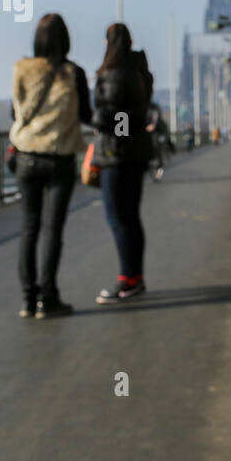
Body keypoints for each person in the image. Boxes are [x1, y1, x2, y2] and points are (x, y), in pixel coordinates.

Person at [9, 13, 91, 319]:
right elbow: (86, 115)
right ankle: (48, 297)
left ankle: (27, 299)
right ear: (66, 40)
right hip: (59, 158)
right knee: (52, 230)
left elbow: (14, 113)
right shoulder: (73, 74)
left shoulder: (22, 70)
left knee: (29, 228)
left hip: (26, 157)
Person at [91, 23, 155, 304]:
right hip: (137, 152)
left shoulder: (115, 73)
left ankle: (128, 279)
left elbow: (115, 118)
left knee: (117, 218)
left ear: (109, 43)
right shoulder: (139, 72)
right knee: (131, 217)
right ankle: (135, 277)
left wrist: (97, 120)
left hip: (117, 154)